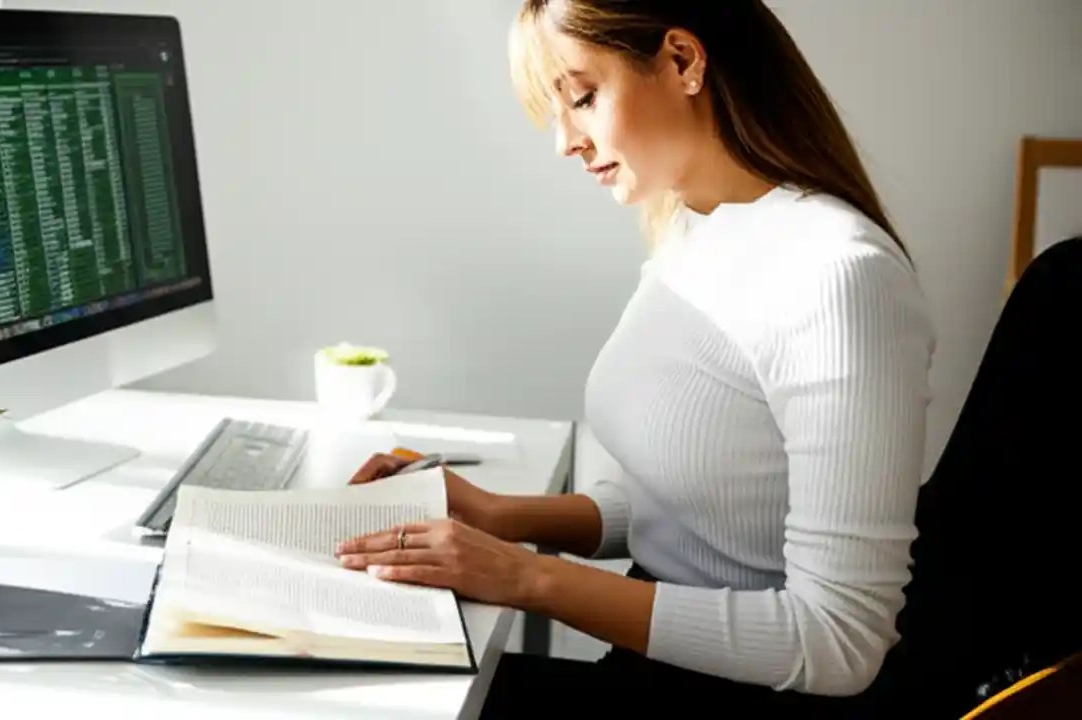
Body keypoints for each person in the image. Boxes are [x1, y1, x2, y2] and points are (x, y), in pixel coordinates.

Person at [335, 0, 936, 716]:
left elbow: (838, 642)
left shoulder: (840, 275)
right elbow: (684, 505)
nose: (565, 141)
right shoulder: (694, 228)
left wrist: (523, 577)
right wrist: (502, 515)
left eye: (583, 98)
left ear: (682, 61)